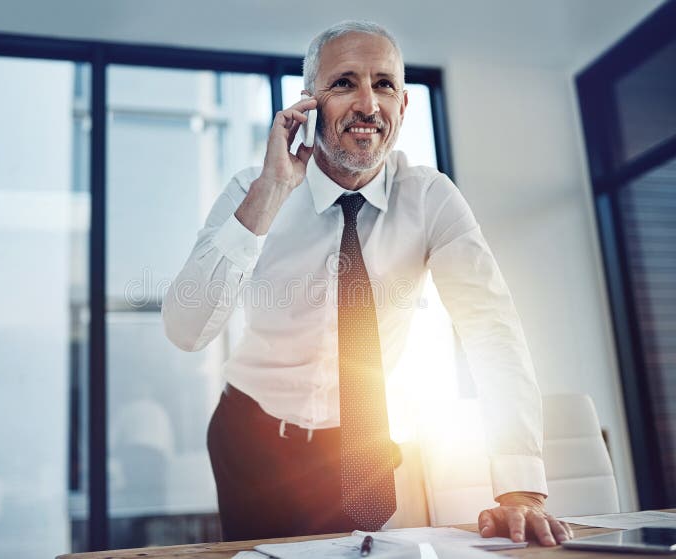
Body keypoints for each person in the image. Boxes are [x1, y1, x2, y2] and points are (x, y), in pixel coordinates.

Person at [162, 20, 573, 546]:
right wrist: (268, 196)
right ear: (308, 103)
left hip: (358, 443)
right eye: (343, 83)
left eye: (383, 84)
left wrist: (519, 487)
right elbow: (185, 330)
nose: (367, 103)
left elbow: (491, 329)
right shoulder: (251, 189)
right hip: (251, 435)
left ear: (403, 106)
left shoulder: (430, 199)